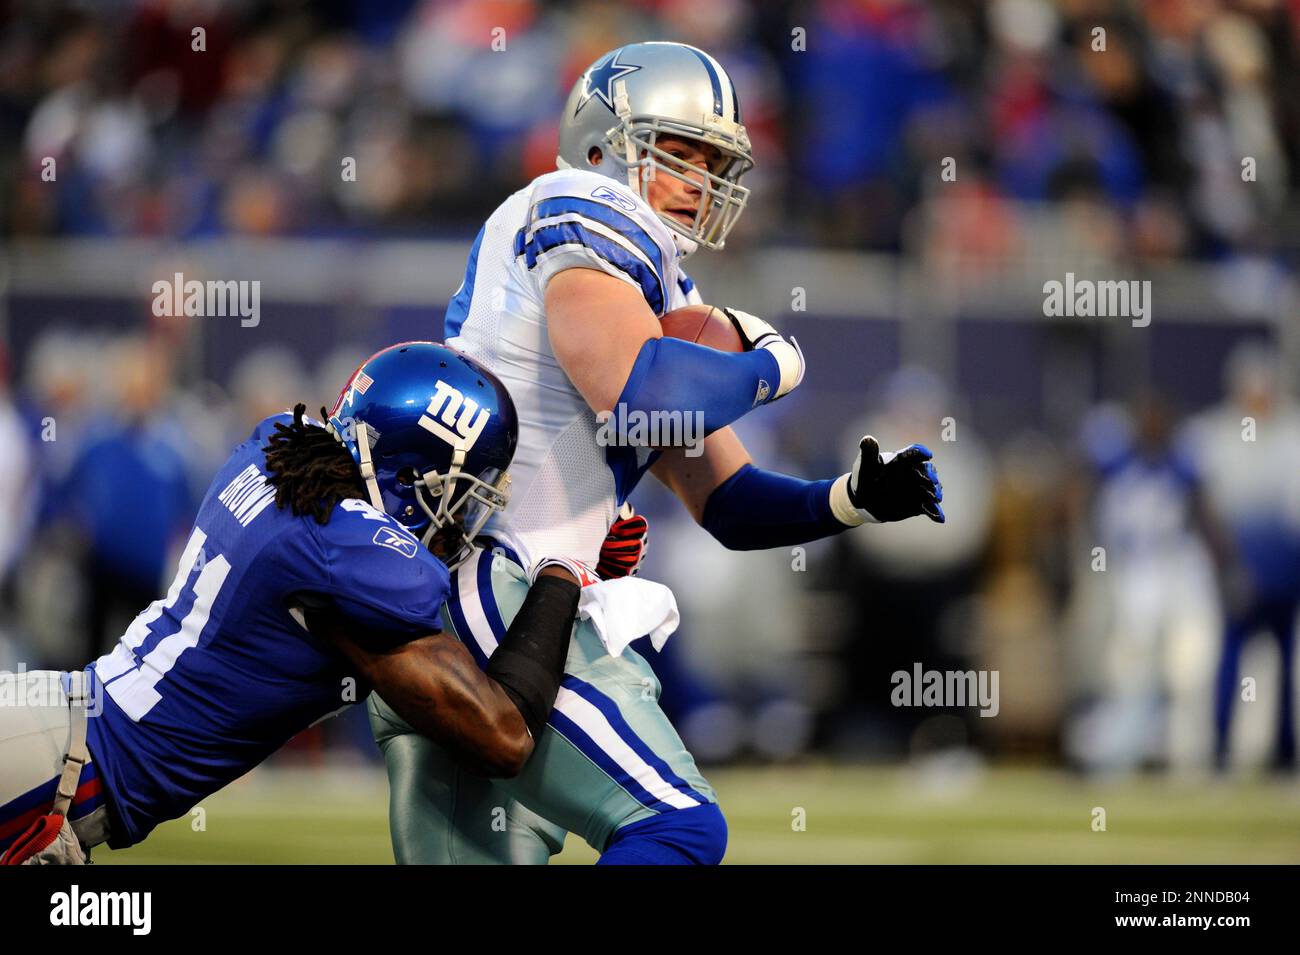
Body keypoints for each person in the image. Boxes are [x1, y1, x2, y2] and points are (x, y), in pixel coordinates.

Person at [370, 42, 944, 865]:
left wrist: (848, 499)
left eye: (717, 161)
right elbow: (645, 399)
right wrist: (774, 361)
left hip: (458, 606)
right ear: (604, 144)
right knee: (677, 826)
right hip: (505, 594)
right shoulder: (582, 205)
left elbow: (731, 502)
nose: (702, 180)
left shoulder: (659, 297)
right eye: (681, 153)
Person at [0, 342, 583, 864]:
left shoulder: (282, 448)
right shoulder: (342, 551)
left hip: (52, 733)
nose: (459, 523)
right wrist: (563, 568)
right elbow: (504, 736)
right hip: (52, 771)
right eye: (454, 498)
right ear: (409, 475)